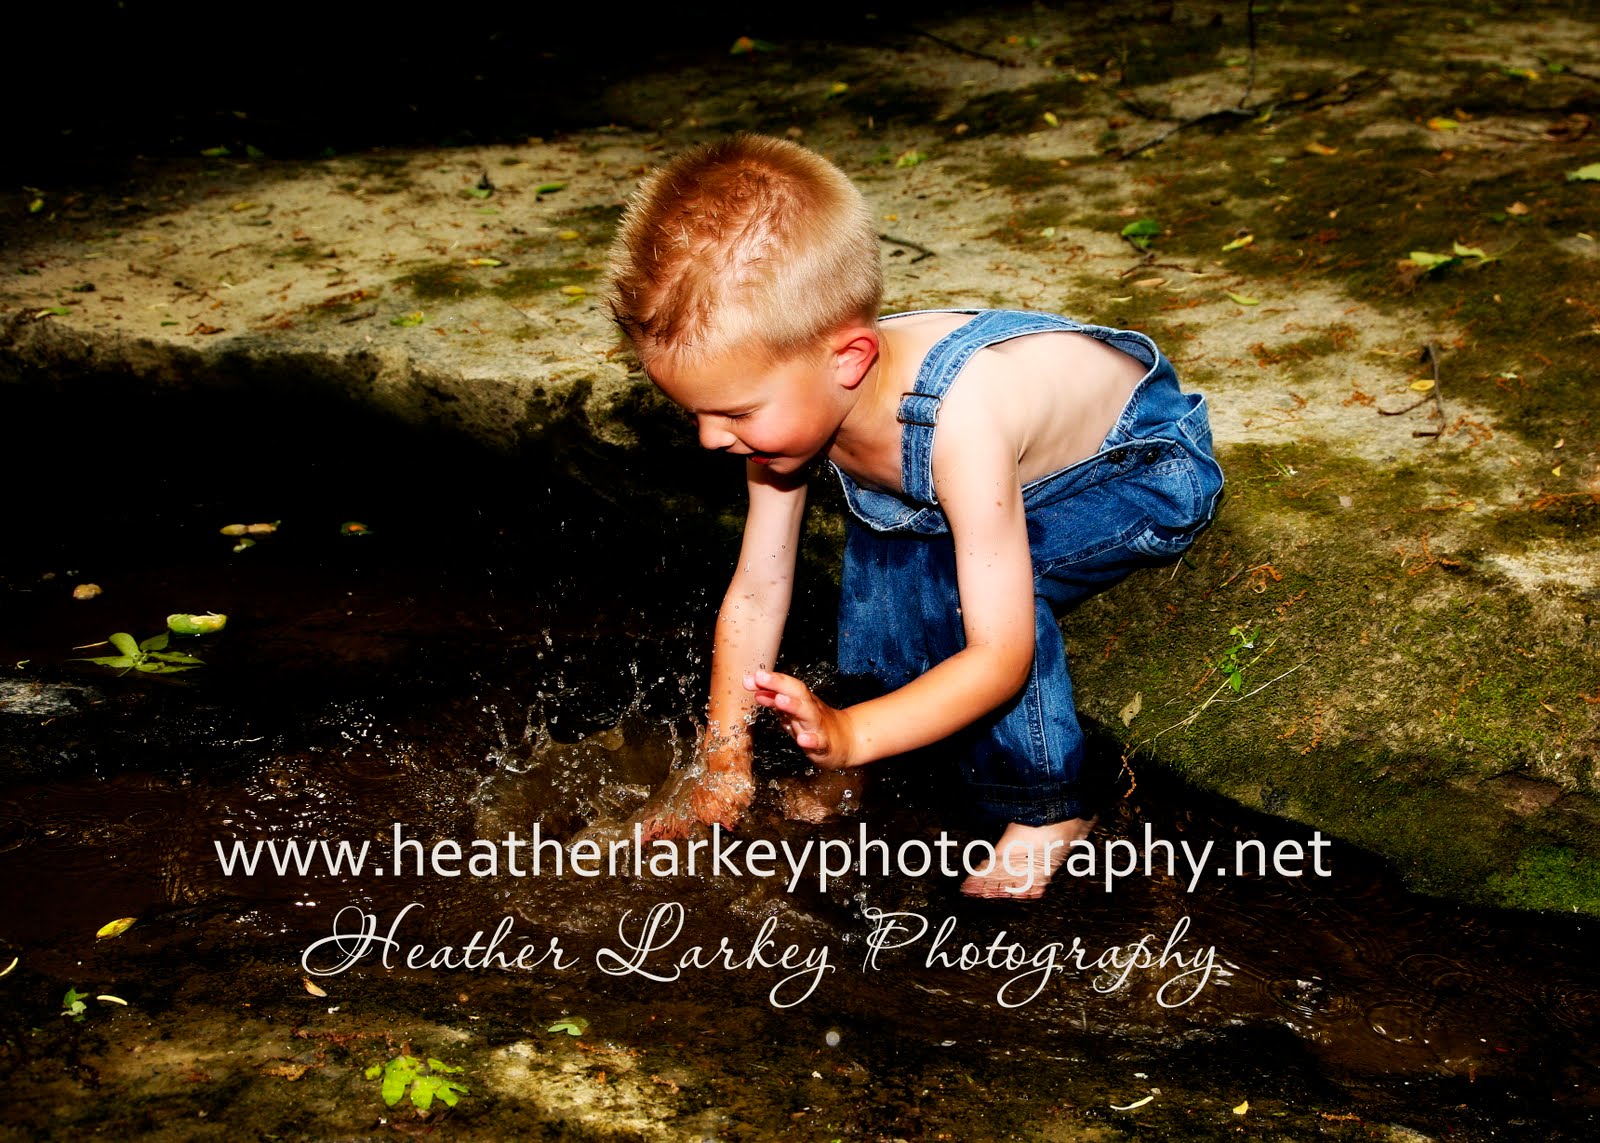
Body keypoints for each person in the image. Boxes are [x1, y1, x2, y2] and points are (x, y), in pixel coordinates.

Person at [604, 134, 1222, 897]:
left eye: (731, 411)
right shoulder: (792, 396)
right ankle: (862, 769)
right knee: (882, 562)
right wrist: (723, 752)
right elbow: (759, 586)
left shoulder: (962, 419)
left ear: (849, 360)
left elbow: (1001, 653)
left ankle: (1049, 806)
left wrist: (850, 730)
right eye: (695, 412)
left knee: (946, 582)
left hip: (1138, 465)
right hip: (990, 473)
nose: (709, 437)